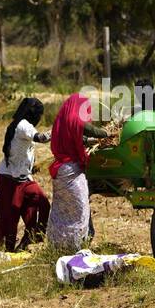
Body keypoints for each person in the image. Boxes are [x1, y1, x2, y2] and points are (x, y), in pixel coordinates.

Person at [45, 93, 107, 251]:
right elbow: (92, 130)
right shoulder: (76, 119)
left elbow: (76, 136)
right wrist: (108, 134)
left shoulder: (62, 120)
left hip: (60, 172)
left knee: (62, 212)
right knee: (80, 211)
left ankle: (58, 247)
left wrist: (87, 141)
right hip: (72, 172)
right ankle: (77, 248)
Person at [0, 97, 51, 251]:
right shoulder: (23, 125)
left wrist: (31, 166)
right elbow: (41, 138)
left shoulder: (19, 125)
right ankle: (7, 251)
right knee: (9, 217)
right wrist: (59, 129)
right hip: (9, 179)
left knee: (42, 201)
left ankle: (32, 238)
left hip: (23, 178)